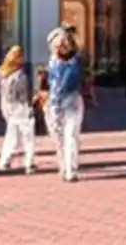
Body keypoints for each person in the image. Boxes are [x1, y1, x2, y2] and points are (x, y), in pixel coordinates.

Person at [45, 28, 85, 183]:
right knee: (59, 137)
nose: (60, 46)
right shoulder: (52, 61)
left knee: (70, 136)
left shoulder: (74, 61)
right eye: (57, 43)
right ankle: (65, 166)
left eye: (64, 42)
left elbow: (66, 82)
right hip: (55, 103)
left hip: (70, 101)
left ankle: (70, 169)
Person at [0, 46, 36, 174]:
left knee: (11, 135)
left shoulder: (2, 73)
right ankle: (29, 162)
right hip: (20, 107)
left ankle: (4, 160)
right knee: (28, 136)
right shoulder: (20, 75)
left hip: (8, 106)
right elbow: (23, 95)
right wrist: (30, 106)